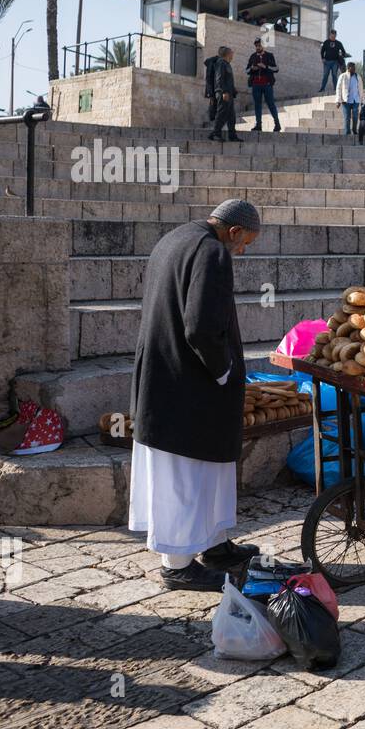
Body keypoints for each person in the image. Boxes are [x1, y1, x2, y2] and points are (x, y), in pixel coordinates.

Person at [129, 199, 263, 590]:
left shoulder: (175, 239)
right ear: (232, 231)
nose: (241, 252)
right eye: (244, 243)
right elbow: (202, 327)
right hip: (188, 385)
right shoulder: (212, 252)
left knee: (208, 471)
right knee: (185, 476)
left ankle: (216, 544)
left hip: (163, 378)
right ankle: (178, 565)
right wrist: (223, 371)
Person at [245, 38, 280, 133]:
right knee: (257, 105)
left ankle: (277, 123)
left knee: (270, 103)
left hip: (267, 84)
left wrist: (266, 67)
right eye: (256, 46)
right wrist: (252, 68)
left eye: (259, 45)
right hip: (256, 84)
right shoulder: (252, 56)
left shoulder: (269, 55)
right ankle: (258, 124)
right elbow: (247, 70)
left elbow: (276, 69)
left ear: (263, 46)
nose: (257, 47)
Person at [208, 47, 242, 143]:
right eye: (231, 52)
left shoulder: (227, 64)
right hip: (223, 93)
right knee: (221, 114)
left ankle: (232, 135)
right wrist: (224, 92)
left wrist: (233, 90)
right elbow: (219, 79)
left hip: (229, 93)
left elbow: (227, 80)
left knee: (231, 116)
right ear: (227, 54)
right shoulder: (221, 63)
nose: (233, 54)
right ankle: (216, 134)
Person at [337, 62, 361, 136]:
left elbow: (360, 89)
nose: (354, 69)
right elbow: (338, 88)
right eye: (353, 67)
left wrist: (361, 100)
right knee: (347, 117)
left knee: (355, 116)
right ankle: (347, 133)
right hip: (345, 100)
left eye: (354, 68)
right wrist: (338, 101)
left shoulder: (358, 77)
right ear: (348, 68)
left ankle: (354, 130)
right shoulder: (343, 76)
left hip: (355, 100)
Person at [202, 51, 219, 128]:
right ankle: (213, 118)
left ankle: (213, 118)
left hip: (211, 88)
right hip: (213, 88)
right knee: (213, 103)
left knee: (213, 103)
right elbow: (210, 79)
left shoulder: (211, 63)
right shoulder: (214, 64)